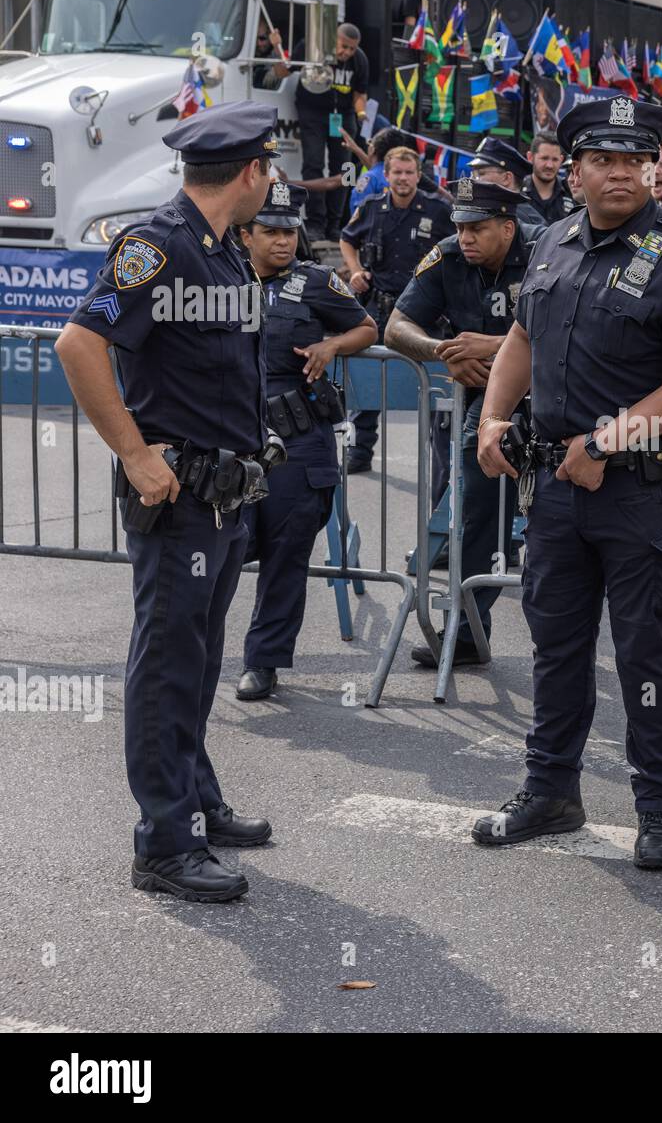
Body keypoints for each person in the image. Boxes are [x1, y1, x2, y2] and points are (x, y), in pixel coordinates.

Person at [473, 95, 662, 870]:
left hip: (638, 491)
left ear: (653, 168)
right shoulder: (551, 242)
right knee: (555, 648)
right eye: (602, 160)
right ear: (575, 171)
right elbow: (522, 333)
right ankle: (550, 791)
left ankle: (658, 807)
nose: (619, 173)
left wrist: (606, 441)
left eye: (633, 160)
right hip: (553, 490)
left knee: (644, 656)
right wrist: (492, 417)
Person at [54, 102, 281, 903]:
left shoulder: (219, 251)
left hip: (222, 495)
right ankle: (163, 843)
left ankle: (195, 800)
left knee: (198, 659)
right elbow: (80, 343)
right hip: (178, 496)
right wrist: (135, 453)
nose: (274, 181)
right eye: (269, 169)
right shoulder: (159, 246)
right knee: (167, 666)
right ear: (249, 172)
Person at [235, 183, 377, 701]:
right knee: (224, 545)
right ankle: (194, 652)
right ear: (244, 233)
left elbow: (366, 327)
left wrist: (331, 344)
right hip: (232, 438)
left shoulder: (314, 281)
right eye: (270, 232)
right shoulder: (221, 280)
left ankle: (263, 660)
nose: (283, 242)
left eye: (289, 232)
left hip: (299, 440)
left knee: (285, 550)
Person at [385, 179, 534, 666]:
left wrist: (490, 347)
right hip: (484, 405)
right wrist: (443, 353)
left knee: (562, 518)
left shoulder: (546, 248)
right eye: (461, 227)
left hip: (556, 398)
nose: (465, 237)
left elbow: (571, 322)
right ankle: (467, 632)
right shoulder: (447, 256)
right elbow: (396, 326)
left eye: (478, 228)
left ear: (508, 228)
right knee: (474, 512)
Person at [339, 145, 454, 473]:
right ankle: (359, 452)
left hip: (425, 314)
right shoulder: (372, 208)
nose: (403, 178)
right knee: (370, 383)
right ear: (386, 176)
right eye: (397, 173)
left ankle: (443, 463)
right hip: (380, 307)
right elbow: (347, 239)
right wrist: (355, 270)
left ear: (419, 175)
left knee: (436, 387)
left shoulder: (438, 210)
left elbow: (460, 248)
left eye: (409, 172)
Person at [292, 22, 370, 241]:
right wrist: (277, 48)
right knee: (313, 164)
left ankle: (335, 224)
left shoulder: (360, 60)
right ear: (334, 39)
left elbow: (359, 94)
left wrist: (361, 113)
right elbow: (283, 69)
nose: (346, 52)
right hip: (312, 111)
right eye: (343, 46)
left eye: (352, 48)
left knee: (345, 169)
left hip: (342, 116)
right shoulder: (312, 46)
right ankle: (316, 222)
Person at [466, 137, 548, 240]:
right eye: (473, 174)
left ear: (506, 178)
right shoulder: (490, 210)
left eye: (481, 174)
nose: (473, 180)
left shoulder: (526, 220)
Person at [521, 129, 575, 224]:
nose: (549, 165)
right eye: (544, 158)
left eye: (555, 159)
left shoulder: (572, 191)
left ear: (561, 160)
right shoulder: (518, 193)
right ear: (530, 157)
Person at [252, 19, 290, 89]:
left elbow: (286, 62)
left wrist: (276, 45)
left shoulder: (279, 53)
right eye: (255, 39)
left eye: (262, 38)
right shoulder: (247, 52)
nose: (258, 43)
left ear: (270, 37)